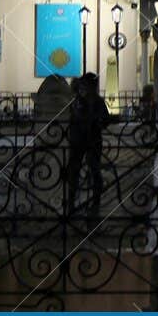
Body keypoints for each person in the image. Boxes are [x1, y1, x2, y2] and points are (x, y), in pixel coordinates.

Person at [66, 73, 111, 216]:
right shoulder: (79, 101)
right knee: (75, 170)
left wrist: (96, 121)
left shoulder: (95, 101)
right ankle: (72, 202)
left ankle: (93, 203)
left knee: (93, 170)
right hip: (81, 140)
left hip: (90, 140)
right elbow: (73, 117)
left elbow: (105, 119)